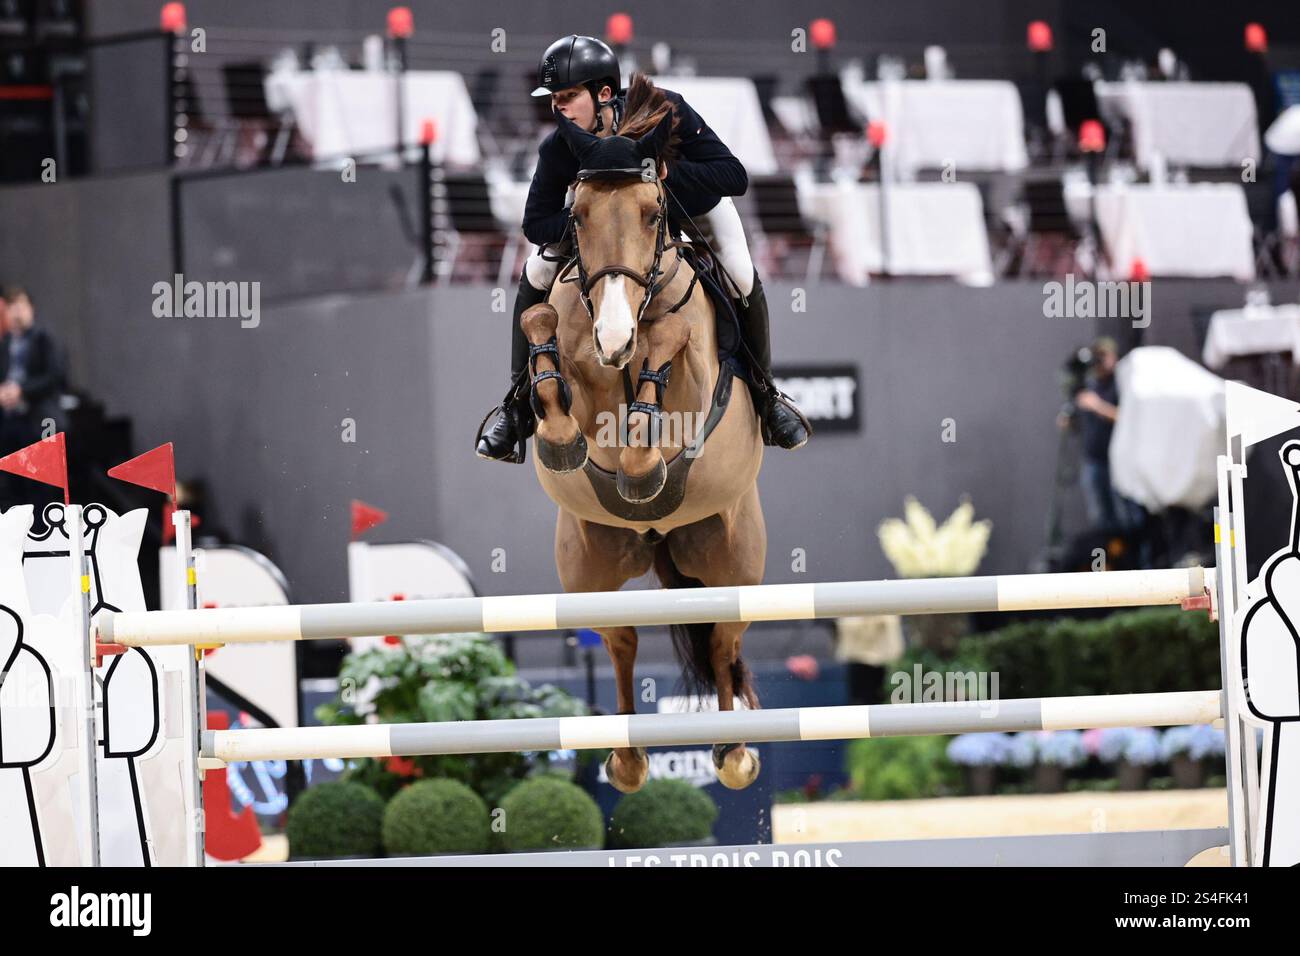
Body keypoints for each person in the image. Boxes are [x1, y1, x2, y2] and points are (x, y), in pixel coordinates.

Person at [475, 34, 809, 463]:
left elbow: (733, 175)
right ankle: (517, 406)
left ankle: (767, 395)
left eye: (569, 97)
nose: (559, 108)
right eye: (555, 99)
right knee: (536, 272)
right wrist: (590, 223)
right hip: (603, 233)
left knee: (741, 274)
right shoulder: (559, 145)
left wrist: (662, 186)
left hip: (687, 210)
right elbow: (536, 223)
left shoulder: (663, 110)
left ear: (605, 93)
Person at [0, 286, 67, 507]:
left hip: (38, 421)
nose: (16, 313)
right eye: (11, 307)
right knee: (13, 483)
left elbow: (55, 375)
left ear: (31, 309)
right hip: (10, 421)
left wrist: (22, 389)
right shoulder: (6, 343)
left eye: (21, 306)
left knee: (39, 485)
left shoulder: (43, 338)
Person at [1071, 337, 1143, 537]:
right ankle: (1110, 558)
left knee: (1127, 515)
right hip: (1094, 460)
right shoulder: (1091, 384)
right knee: (1101, 517)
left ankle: (1134, 560)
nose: (1100, 363)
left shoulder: (1122, 383)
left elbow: (1126, 417)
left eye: (1104, 357)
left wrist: (1097, 406)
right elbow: (1082, 420)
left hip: (1119, 460)